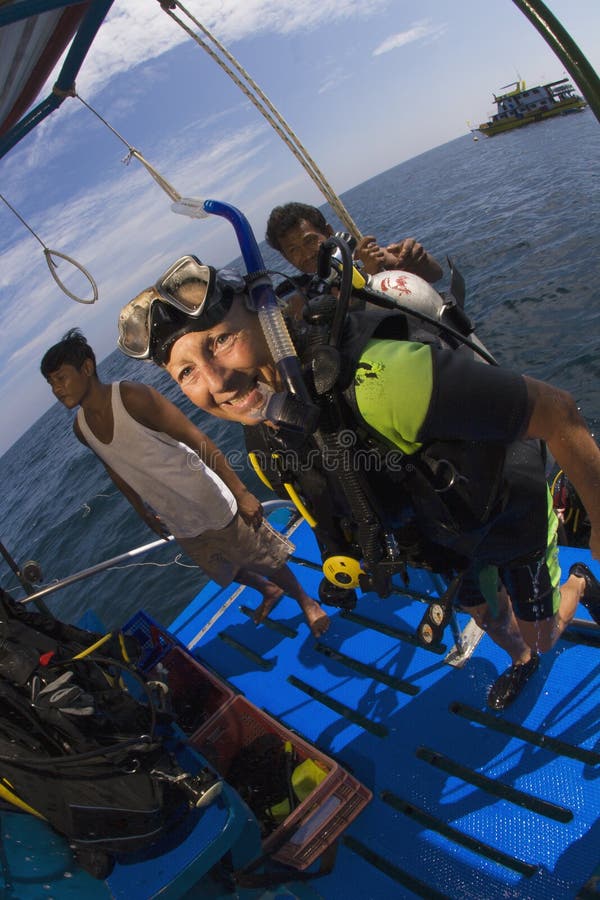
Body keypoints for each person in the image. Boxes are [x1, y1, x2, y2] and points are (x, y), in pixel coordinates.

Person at [117, 257, 600, 711]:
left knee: (540, 634)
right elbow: (324, 513)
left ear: (261, 310)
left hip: (509, 519)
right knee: (487, 615)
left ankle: (576, 585)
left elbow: (558, 412)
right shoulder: (264, 445)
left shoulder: (378, 379)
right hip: (447, 541)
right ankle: (521, 659)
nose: (216, 382)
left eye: (220, 341)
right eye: (186, 372)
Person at [40, 328, 329, 637]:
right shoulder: (81, 429)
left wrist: (241, 491)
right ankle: (269, 591)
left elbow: (197, 439)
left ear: (86, 368)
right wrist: (142, 511)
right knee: (222, 568)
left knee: (263, 557)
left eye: (60, 378)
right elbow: (115, 469)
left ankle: (306, 601)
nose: (56, 389)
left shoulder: (131, 397)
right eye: (51, 383)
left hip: (207, 498)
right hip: (176, 515)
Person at [265, 201, 443, 282]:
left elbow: (435, 274)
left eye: (310, 241)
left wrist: (419, 259)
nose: (307, 254)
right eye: (294, 250)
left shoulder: (364, 257)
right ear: (286, 257)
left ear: (328, 232)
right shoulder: (300, 296)